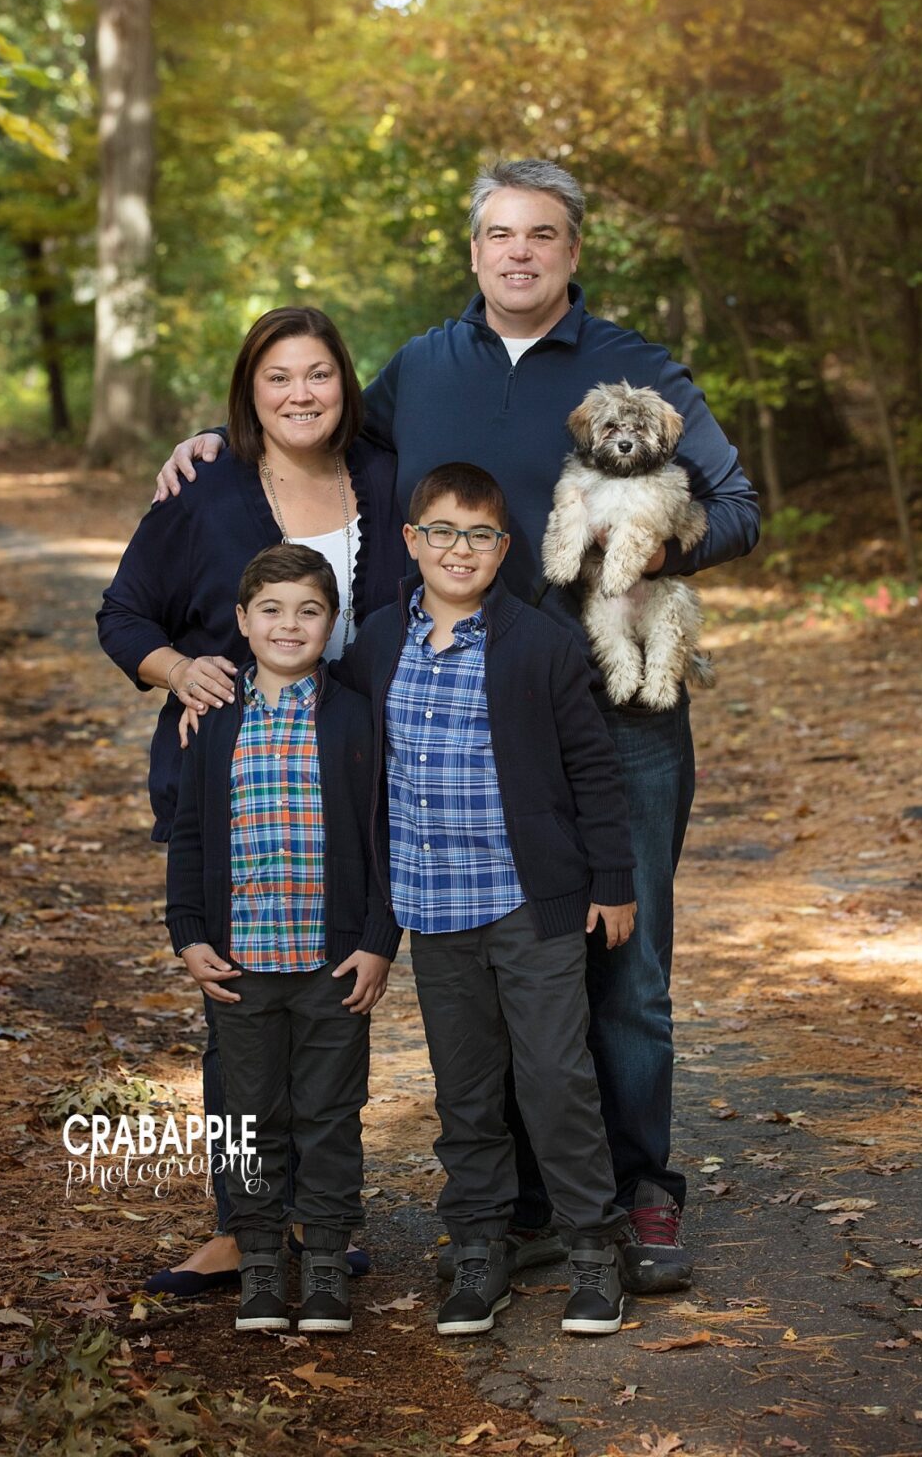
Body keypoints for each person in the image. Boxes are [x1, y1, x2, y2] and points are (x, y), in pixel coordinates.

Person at [153, 158, 762, 1294]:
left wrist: (646, 556)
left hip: (616, 709)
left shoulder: (637, 365)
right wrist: (207, 438)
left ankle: (641, 1198)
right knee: (491, 970)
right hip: (455, 721)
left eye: (541, 234)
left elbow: (738, 505)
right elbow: (314, 432)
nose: (518, 252)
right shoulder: (420, 368)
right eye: (497, 233)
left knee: (624, 966)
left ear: (572, 253)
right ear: (473, 249)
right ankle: (523, 1207)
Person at [97, 306, 405, 1295]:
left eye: (318, 374)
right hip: (236, 783)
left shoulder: (386, 476)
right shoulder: (206, 487)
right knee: (237, 1012)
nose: (300, 395)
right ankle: (240, 1223)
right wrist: (178, 669)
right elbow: (122, 612)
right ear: (250, 390)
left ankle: (322, 1220)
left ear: (343, 384)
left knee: (332, 1013)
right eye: (278, 378)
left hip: (359, 782)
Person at [338, 462, 635, 1336]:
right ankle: (479, 1245)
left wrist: (612, 881)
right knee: (466, 1091)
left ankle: (592, 1247)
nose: (457, 550)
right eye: (440, 532)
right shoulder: (377, 643)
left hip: (529, 904)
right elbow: (358, 774)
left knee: (554, 1079)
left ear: (503, 548)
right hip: (432, 910)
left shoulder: (540, 645)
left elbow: (592, 770)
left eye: (477, 536)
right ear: (411, 541)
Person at [167, 544, 400, 1333]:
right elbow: (192, 834)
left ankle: (327, 1260)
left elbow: (381, 837)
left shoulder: (354, 717)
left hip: (332, 962)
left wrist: (378, 938)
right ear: (242, 620)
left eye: (308, 610)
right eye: (270, 609)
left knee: (330, 1114)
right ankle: (261, 1259)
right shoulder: (214, 717)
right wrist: (188, 932)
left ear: (331, 625)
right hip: (241, 963)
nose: (289, 625)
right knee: (250, 1112)